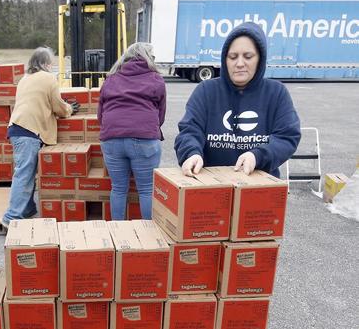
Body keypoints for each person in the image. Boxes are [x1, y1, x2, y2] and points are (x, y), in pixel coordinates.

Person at [175, 22, 301, 177]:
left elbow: (287, 137)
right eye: (233, 57)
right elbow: (189, 130)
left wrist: (258, 156)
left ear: (260, 59)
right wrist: (191, 153)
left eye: (248, 56)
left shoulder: (276, 93)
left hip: (259, 187)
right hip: (210, 185)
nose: (239, 63)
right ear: (225, 59)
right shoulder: (206, 91)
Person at [2, 46, 76, 227]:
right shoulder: (48, 78)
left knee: (26, 173)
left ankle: (27, 209)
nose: (51, 66)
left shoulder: (24, 79)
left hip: (18, 128)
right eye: (50, 63)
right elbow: (58, 106)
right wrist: (70, 108)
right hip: (28, 131)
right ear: (44, 64)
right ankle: (11, 218)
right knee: (24, 175)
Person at [97, 42, 166, 220]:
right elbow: (161, 114)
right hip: (144, 138)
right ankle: (148, 235)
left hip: (111, 138)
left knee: (118, 188)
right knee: (146, 189)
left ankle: (118, 232)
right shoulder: (155, 79)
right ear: (149, 57)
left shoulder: (111, 78)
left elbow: (101, 113)